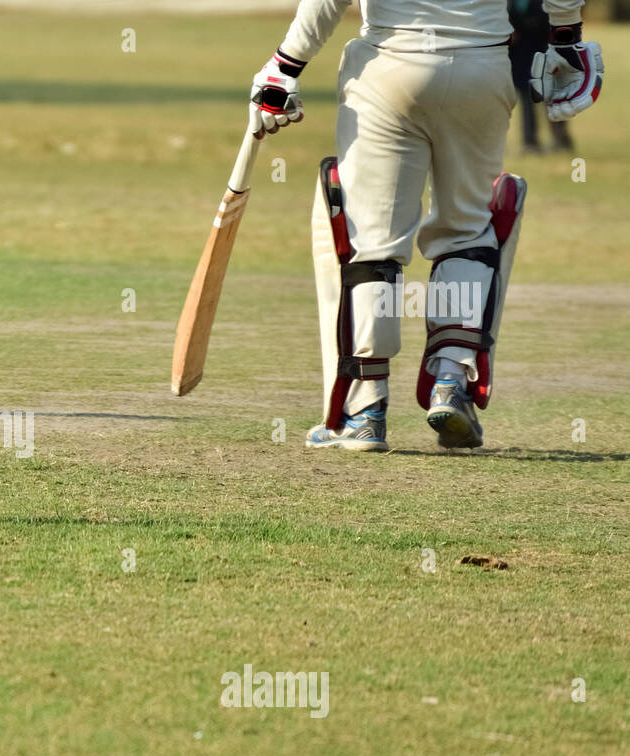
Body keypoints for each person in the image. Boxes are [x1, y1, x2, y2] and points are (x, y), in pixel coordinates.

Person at [248, 0, 602, 451]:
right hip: (482, 66)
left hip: (389, 65)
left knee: (374, 240)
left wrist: (285, 64)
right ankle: (451, 381)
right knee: (467, 231)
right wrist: (567, 40)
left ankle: (365, 408)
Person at [509, 0, 575, 152]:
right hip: (521, 57)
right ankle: (530, 142)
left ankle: (561, 141)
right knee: (526, 101)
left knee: (552, 99)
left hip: (546, 53)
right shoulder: (510, 3)